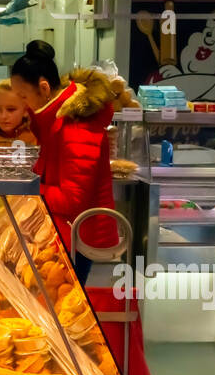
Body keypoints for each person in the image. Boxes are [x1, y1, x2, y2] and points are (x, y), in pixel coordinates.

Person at [10, 40, 130, 284]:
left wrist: (28, 189)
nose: (23, 105)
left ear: (44, 88)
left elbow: (72, 199)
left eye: (24, 96)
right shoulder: (53, 120)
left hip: (77, 239)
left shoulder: (75, 127)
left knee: (66, 310)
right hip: (63, 232)